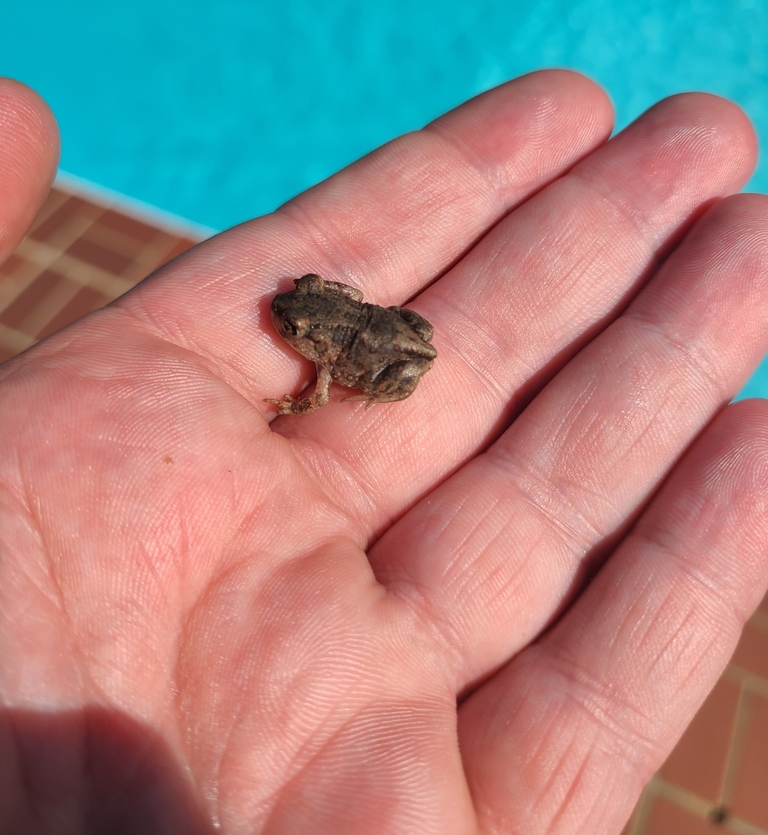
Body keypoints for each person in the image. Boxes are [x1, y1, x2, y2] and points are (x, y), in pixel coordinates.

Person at [1, 69, 766, 835]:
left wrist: (302, 402)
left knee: (398, 372)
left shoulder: (325, 358)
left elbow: (316, 391)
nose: (288, 325)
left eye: (297, 326)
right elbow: (333, 300)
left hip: (382, 351)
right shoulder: (326, 311)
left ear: (315, 335)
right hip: (383, 325)